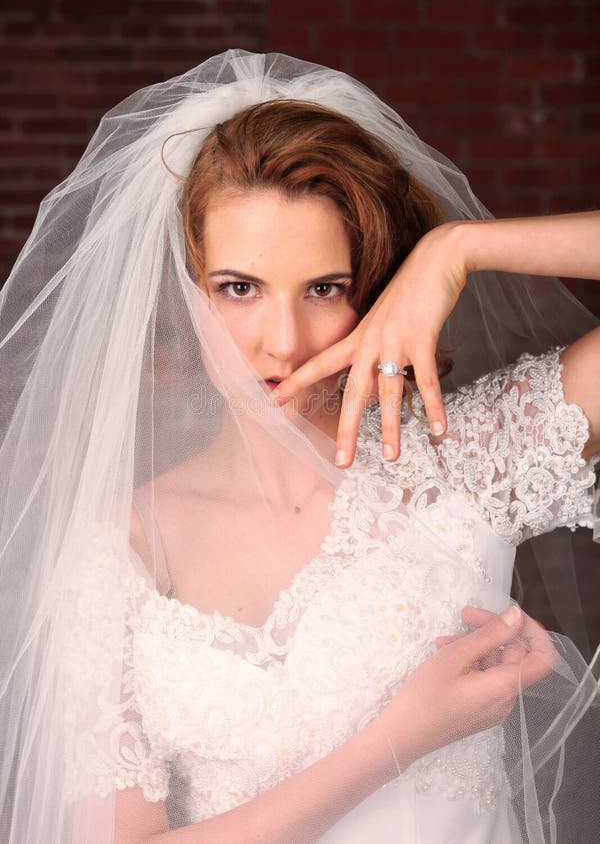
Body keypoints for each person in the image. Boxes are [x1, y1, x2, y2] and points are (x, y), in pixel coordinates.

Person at [0, 50, 598, 844]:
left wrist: (456, 250)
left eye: (326, 287)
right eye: (238, 288)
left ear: (381, 287)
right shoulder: (117, 544)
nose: (280, 343)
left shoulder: (470, 459)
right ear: (188, 294)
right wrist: (395, 740)